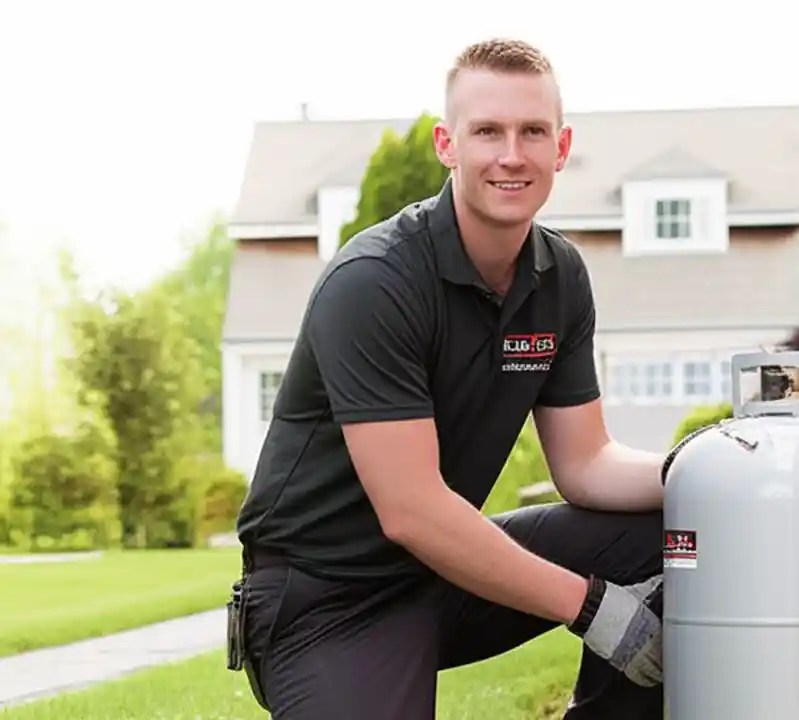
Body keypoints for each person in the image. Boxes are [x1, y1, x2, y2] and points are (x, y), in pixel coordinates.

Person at [228, 37, 668, 720]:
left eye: (533, 132)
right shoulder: (375, 281)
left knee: (675, 528)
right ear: (447, 144)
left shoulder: (560, 278)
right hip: (325, 599)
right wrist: (595, 610)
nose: (512, 154)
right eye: (487, 131)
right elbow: (413, 512)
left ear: (561, 145)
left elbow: (585, 465)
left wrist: (702, 467)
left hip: (440, 573)